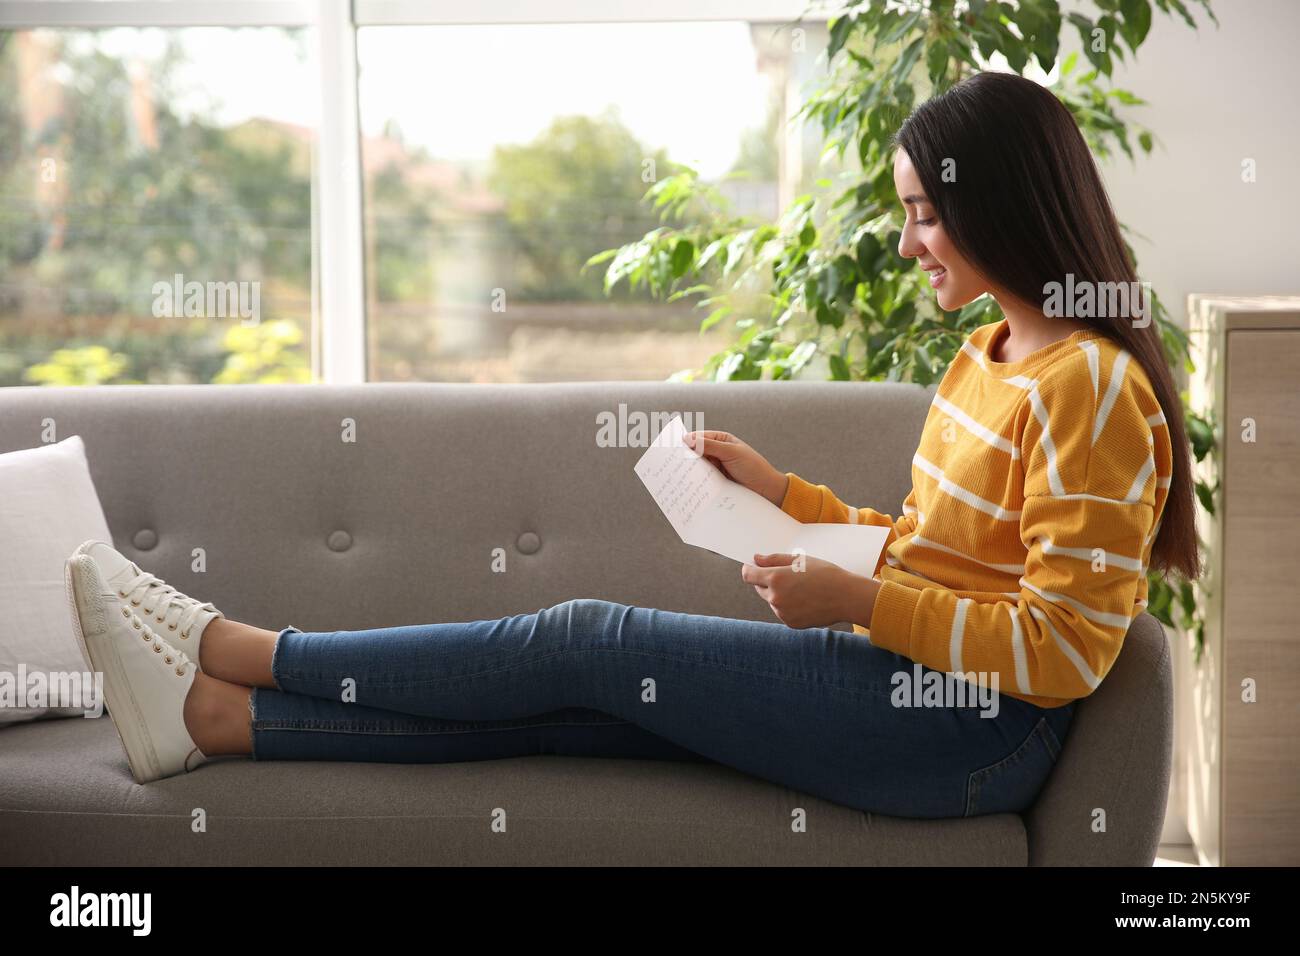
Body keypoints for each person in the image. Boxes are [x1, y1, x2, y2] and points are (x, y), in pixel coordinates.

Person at [64, 72, 1198, 820]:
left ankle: (239, 644)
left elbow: (1064, 652)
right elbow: (940, 555)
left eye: (924, 213)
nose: (908, 243)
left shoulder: (1088, 386)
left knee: (583, 636)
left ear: (1000, 200)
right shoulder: (986, 355)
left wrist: (855, 607)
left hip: (970, 733)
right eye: (905, 212)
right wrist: (785, 495)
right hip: (911, 685)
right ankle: (223, 718)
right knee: (587, 702)